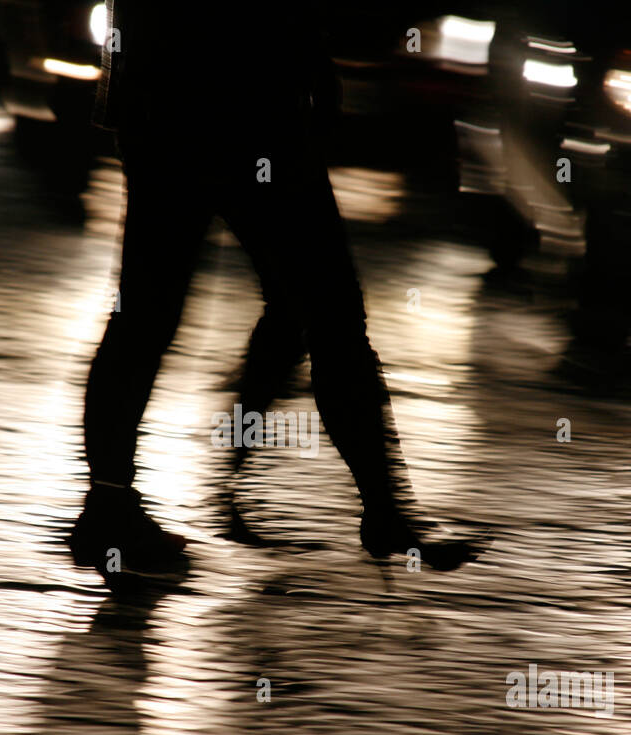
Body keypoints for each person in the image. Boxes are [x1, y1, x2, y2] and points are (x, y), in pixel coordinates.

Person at [68, 1, 481, 578]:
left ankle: (110, 503)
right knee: (326, 311)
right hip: (250, 103)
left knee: (155, 313)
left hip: (173, 95)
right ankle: (382, 511)